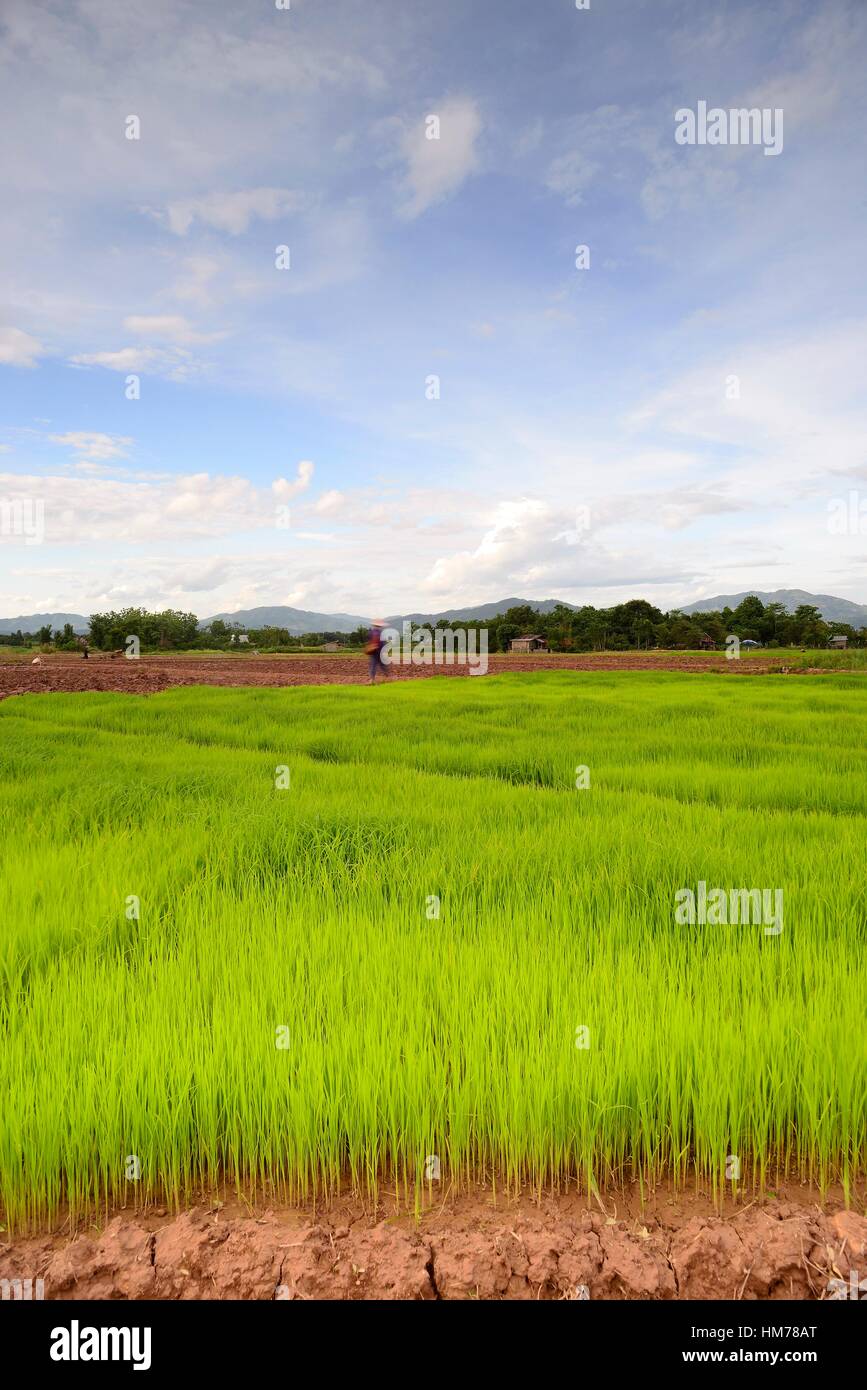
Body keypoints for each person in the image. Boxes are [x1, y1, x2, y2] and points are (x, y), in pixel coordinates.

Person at [365, 619, 389, 684]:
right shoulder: (381, 633)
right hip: (380, 652)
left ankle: (372, 679)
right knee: (382, 665)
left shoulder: (371, 632)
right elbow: (384, 643)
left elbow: (368, 641)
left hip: (373, 651)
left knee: (373, 665)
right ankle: (387, 677)